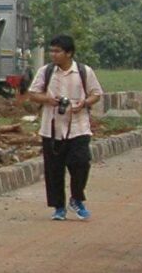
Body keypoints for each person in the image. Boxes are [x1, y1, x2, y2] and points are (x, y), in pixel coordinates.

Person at [23, 35, 101, 221]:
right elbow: (33, 94)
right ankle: (59, 207)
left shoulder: (83, 72)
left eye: (58, 51)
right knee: (54, 170)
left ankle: (76, 198)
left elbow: (96, 94)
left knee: (81, 163)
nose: (53, 55)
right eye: (52, 51)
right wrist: (48, 100)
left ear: (69, 53)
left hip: (79, 127)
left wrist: (83, 103)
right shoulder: (47, 71)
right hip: (52, 128)